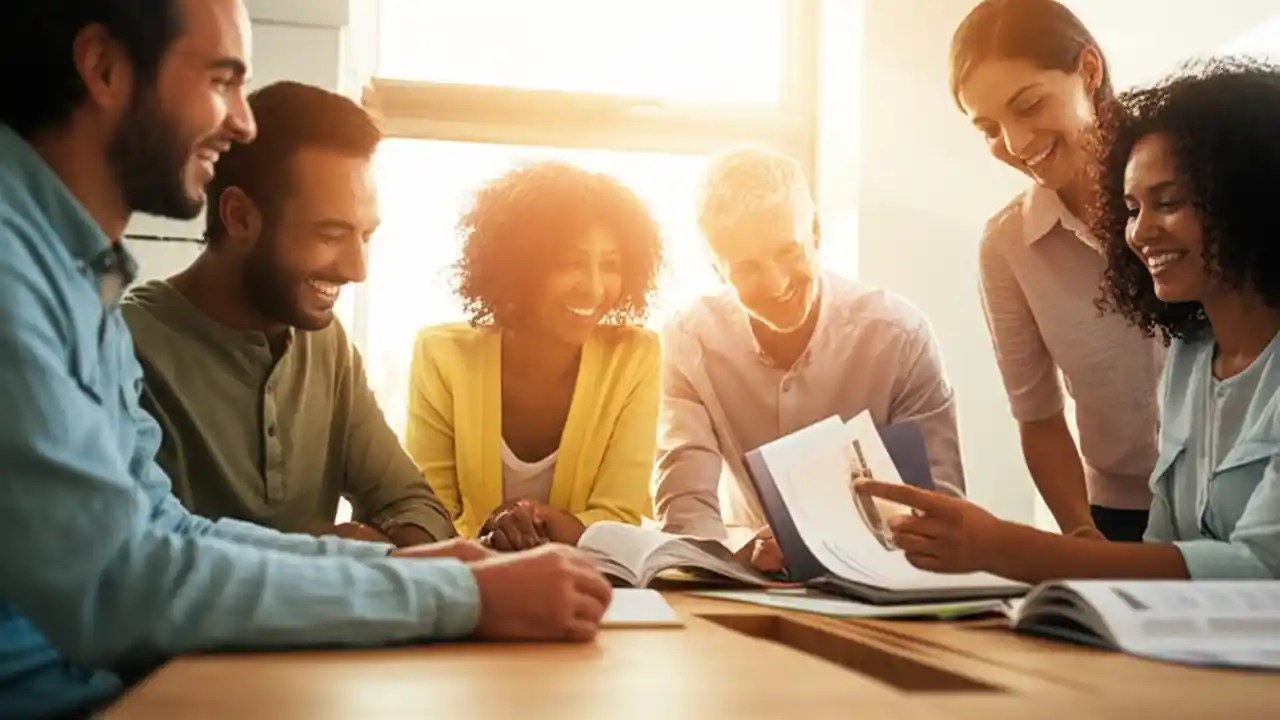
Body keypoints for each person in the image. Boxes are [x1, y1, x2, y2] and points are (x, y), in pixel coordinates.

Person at [0, 2, 609, 716]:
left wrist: (407, 562)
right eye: (222, 80)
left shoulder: (78, 279)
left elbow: (163, 529)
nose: (243, 123)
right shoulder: (18, 272)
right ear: (103, 69)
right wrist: (459, 595)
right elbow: (118, 580)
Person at [858, 58, 1280, 582]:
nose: (1141, 233)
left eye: (1167, 204)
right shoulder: (1192, 358)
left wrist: (1003, 547)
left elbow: (1262, 571)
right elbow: (1164, 545)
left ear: (1251, 199)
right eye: (1130, 209)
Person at [121, 81, 456, 547]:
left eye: (366, 236)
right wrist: (345, 555)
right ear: (239, 217)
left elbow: (414, 504)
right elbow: (150, 554)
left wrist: (380, 548)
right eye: (331, 233)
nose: (357, 270)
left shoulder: (327, 342)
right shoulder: (126, 347)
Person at [654, 146, 964, 572]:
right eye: (747, 267)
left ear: (815, 232)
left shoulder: (898, 337)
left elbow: (940, 508)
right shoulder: (689, 343)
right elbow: (686, 514)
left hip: (888, 578)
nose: (776, 282)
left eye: (788, 251)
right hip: (751, 581)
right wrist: (740, 559)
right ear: (716, 269)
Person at [951, 0, 1163, 542]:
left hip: (1241, 504)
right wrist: (1079, 532)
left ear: (1088, 71)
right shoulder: (1007, 248)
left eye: (1029, 105)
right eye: (989, 129)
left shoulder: (1192, 189)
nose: (1016, 144)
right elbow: (1038, 416)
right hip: (1117, 515)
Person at [405, 161, 663, 551]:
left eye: (610, 265)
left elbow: (619, 518)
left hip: (588, 591)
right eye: (572, 263)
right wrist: (495, 535)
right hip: (464, 587)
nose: (595, 288)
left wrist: (536, 517)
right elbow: (428, 514)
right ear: (521, 268)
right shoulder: (442, 355)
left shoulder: (634, 357)